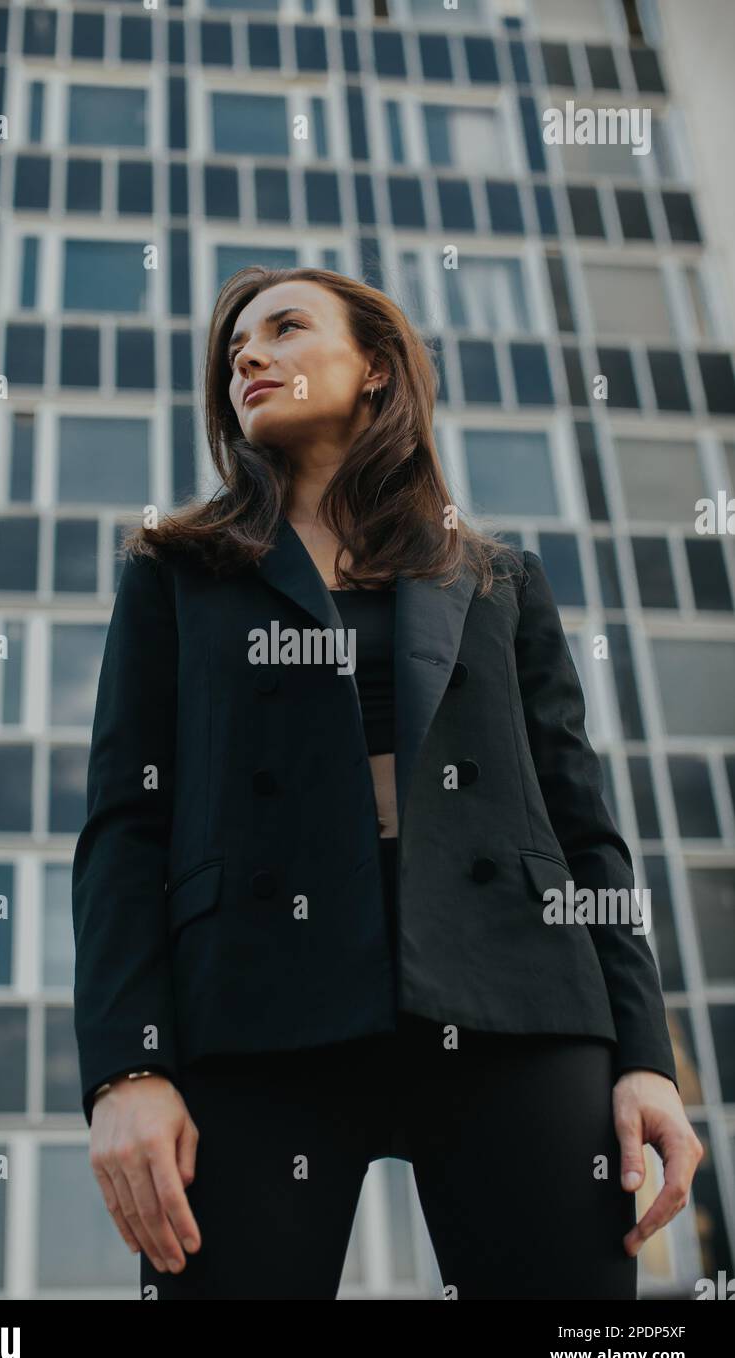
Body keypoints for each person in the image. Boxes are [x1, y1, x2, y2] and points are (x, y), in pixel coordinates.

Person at [72, 267, 702, 1300]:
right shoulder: (174, 575)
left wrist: (642, 1055)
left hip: (516, 1005)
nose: (246, 356)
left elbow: (583, 833)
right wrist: (127, 1068)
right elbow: (125, 830)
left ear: (373, 369)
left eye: (282, 328)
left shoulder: (496, 580)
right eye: (234, 346)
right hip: (254, 1015)